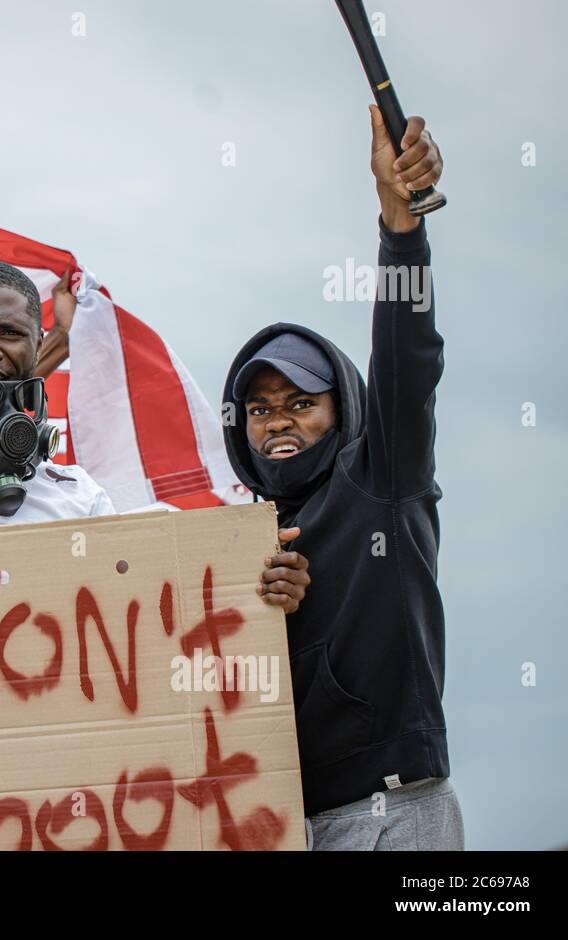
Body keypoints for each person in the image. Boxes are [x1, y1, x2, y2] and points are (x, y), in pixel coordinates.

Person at [0, 87, 312, 850]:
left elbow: (178, 609)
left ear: (33, 345)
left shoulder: (79, 498)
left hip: (42, 814)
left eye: (7, 332)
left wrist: (266, 580)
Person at [220, 106, 462, 850]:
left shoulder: (380, 481)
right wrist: (263, 609)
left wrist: (400, 229)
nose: (279, 422)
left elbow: (407, 361)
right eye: (259, 409)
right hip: (282, 827)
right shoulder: (236, 545)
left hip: (389, 813)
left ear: (346, 409)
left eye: (301, 402)